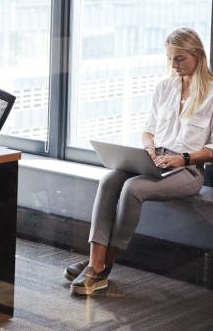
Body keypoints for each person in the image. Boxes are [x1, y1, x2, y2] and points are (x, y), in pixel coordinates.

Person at [66, 27, 213, 295]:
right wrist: (149, 149)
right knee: (110, 179)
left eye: (180, 58)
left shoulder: (212, 92)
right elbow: (149, 130)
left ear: (198, 55)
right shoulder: (165, 87)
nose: (174, 65)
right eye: (169, 58)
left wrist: (182, 159)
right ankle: (95, 261)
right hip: (156, 159)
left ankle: (101, 268)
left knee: (133, 188)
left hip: (188, 169)